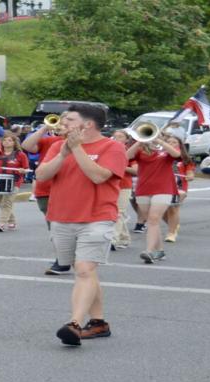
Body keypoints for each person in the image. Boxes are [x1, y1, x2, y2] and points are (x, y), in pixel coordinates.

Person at [33, 103, 126, 346]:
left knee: (84, 269)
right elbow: (42, 176)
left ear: (88, 124)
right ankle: (98, 323)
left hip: (97, 216)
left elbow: (97, 176)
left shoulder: (112, 146)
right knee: (84, 271)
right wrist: (64, 153)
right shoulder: (57, 146)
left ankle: (74, 323)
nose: (63, 125)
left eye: (70, 120)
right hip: (61, 216)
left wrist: (77, 150)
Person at [128, 132, 184, 263]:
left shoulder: (166, 151)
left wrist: (160, 142)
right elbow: (126, 156)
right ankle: (160, 251)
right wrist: (139, 141)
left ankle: (149, 251)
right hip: (143, 188)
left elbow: (176, 155)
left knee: (153, 219)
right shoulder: (141, 150)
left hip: (163, 189)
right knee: (152, 222)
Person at [0, 132, 31, 232]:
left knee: (7, 202)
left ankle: (1, 223)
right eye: (5, 140)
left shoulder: (20, 155)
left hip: (14, 181)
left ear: (14, 143)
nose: (6, 142)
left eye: (10, 140)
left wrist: (23, 170)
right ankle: (12, 220)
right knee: (0, 203)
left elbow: (26, 168)